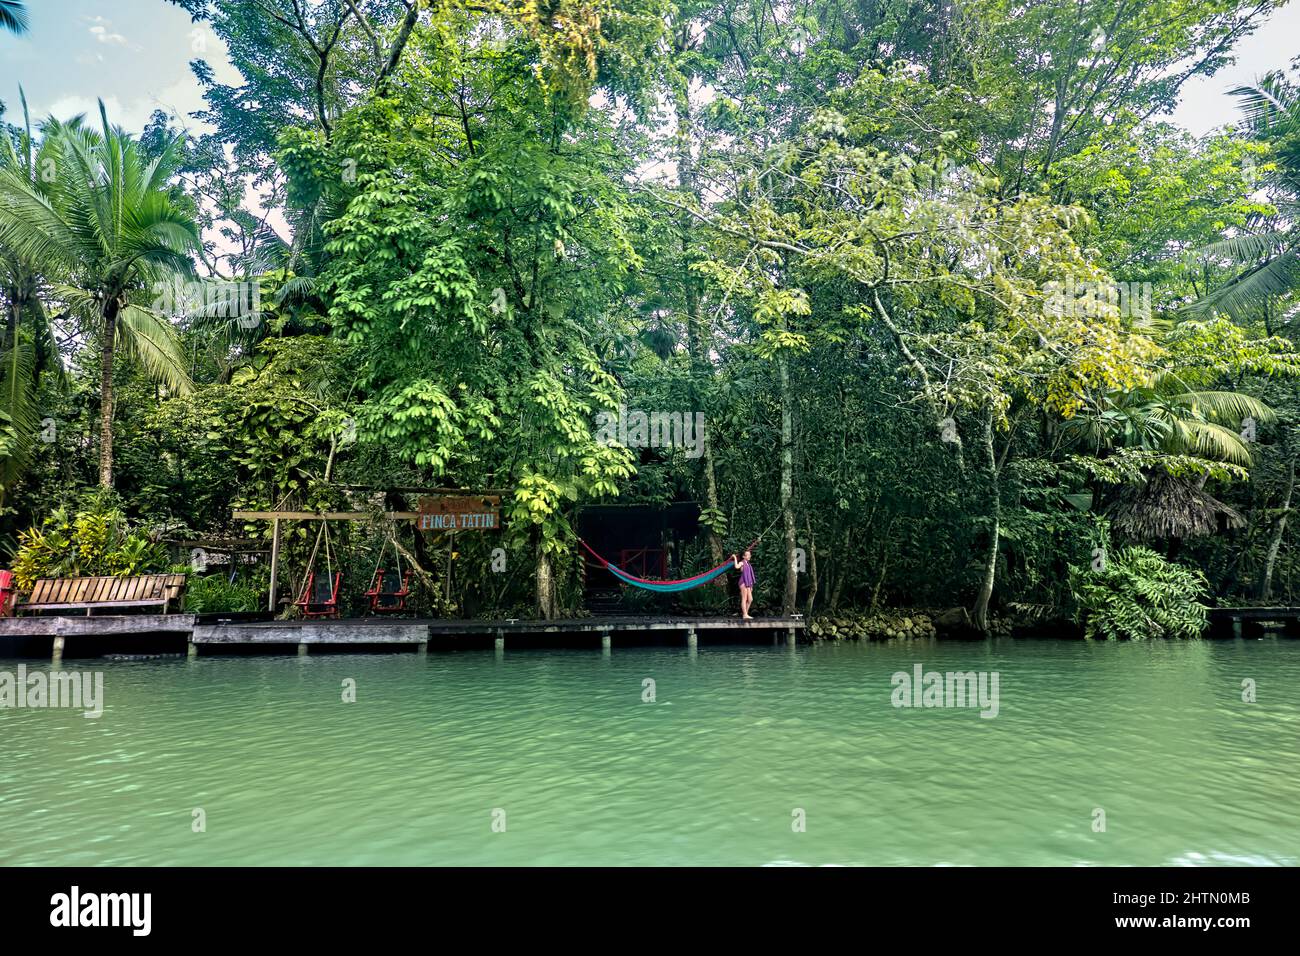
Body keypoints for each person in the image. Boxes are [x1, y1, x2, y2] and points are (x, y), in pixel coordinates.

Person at [731, 549, 755, 620]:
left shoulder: (748, 564)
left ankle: (745, 614)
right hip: (743, 582)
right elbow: (736, 566)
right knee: (744, 599)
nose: (749, 556)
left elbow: (750, 575)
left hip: (748, 583)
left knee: (750, 599)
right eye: (747, 555)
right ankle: (745, 614)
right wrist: (735, 558)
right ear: (744, 556)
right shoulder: (742, 562)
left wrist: (751, 585)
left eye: (750, 555)